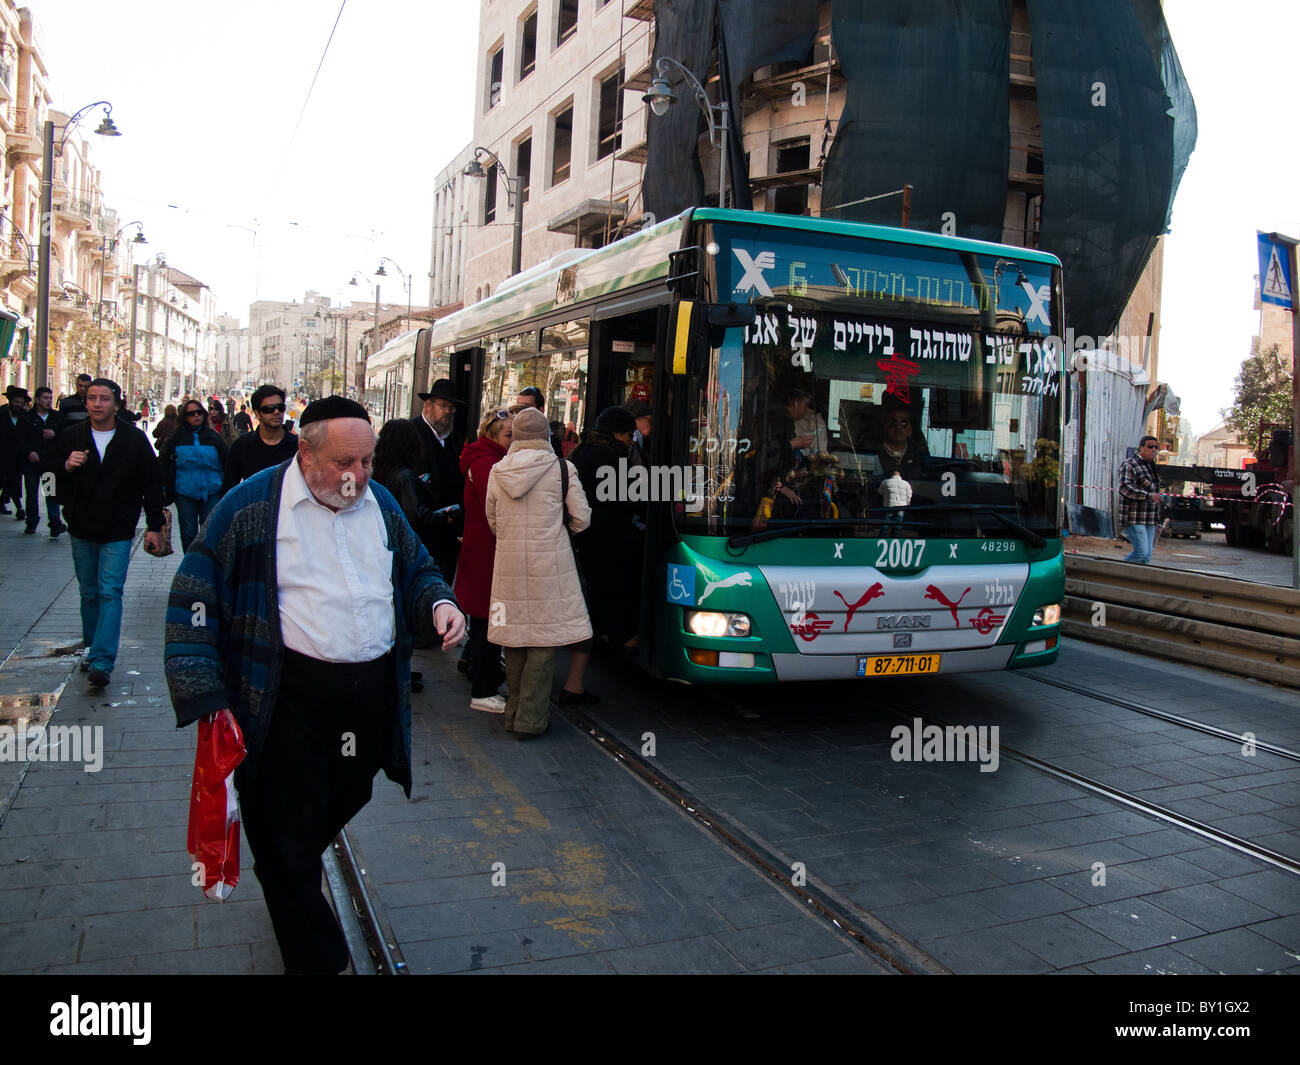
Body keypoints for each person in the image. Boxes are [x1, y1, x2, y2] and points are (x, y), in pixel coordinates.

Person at [163, 395, 465, 974]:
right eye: (343, 463)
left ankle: (290, 862)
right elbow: (192, 596)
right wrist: (204, 692)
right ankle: (318, 954)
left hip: (366, 698)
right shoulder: (249, 506)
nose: (358, 477)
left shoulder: (379, 502)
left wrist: (440, 602)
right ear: (305, 451)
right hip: (285, 699)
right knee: (283, 837)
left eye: (368, 462)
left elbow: (419, 567)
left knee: (345, 796)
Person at [485, 407, 591, 738]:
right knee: (544, 643)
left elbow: (492, 519)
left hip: (509, 565)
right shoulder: (562, 468)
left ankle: (513, 712)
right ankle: (531, 720)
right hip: (551, 566)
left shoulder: (497, 470)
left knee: (514, 640)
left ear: (515, 436)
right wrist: (560, 531)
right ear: (546, 436)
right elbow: (582, 517)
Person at [55, 378, 165, 689]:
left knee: (110, 591)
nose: (98, 404)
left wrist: (154, 525)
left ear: (117, 403)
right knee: (89, 592)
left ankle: (102, 660)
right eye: (92, 398)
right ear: (85, 402)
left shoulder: (133, 439)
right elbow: (48, 477)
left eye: (105, 398)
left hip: (118, 528)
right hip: (81, 527)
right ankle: (91, 649)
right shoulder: (71, 437)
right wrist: (66, 464)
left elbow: (151, 482)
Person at [453, 406, 517, 714]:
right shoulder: (488, 463)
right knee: (485, 624)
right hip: (487, 553)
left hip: (484, 550)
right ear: (492, 435)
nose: (513, 439)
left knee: (487, 621)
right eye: (508, 434)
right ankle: (483, 690)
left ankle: (486, 682)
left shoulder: (487, 458)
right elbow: (501, 508)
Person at [568, 406, 643, 653]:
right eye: (629, 435)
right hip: (609, 537)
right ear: (616, 434)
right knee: (618, 587)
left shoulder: (583, 452)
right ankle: (624, 636)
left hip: (587, 536)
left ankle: (602, 630)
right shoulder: (612, 458)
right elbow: (631, 499)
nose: (632, 440)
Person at [410, 378, 465, 579]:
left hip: (446, 538)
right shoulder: (412, 433)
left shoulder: (451, 437)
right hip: (422, 534)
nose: (447, 412)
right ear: (428, 405)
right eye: (443, 406)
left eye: (452, 408)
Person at [159, 400, 229, 552]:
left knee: (209, 531)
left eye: (199, 412)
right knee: (188, 533)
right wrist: (163, 488)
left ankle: (206, 565)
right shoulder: (177, 437)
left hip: (212, 490)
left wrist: (227, 488)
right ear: (185, 417)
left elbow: (226, 462)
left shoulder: (213, 437)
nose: (196, 416)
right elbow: (163, 462)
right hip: (185, 491)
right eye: (191, 413)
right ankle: (190, 567)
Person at [222, 384, 299, 491]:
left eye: (280, 408)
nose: (276, 412)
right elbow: (229, 489)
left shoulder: (298, 446)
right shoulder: (242, 446)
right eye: (269, 409)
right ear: (257, 414)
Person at [20, 386, 66, 536]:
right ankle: (31, 521)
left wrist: (55, 434)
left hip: (49, 462)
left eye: (50, 398)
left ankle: (54, 522)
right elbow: (20, 438)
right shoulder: (27, 417)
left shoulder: (56, 417)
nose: (48, 401)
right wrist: (29, 452)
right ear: (37, 400)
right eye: (45, 398)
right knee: (32, 492)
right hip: (33, 462)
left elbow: (64, 436)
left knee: (50, 492)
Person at [1118, 435, 1163, 564]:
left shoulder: (1150, 466)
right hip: (1134, 516)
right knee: (1141, 552)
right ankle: (1117, 572)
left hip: (1149, 517)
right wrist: (1148, 496)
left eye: (1156, 447)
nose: (1153, 450)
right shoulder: (1130, 464)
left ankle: (1136, 582)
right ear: (1141, 448)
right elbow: (1125, 488)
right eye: (1150, 446)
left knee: (1147, 556)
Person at [1, 385, 29, 520]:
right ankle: (19, 507)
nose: (18, 405)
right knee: (6, 480)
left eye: (21, 403)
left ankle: (14, 506)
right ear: (10, 401)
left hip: (18, 456)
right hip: (2, 454)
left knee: (13, 480)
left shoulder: (25, 416)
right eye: (16, 402)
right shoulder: (1, 413)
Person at [787, 389, 828, 459]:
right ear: (796, 403)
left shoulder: (820, 424)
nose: (806, 411)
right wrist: (793, 444)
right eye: (805, 406)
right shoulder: (783, 421)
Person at [625, 399, 652, 468]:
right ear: (635, 420)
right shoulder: (631, 443)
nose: (651, 424)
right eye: (649, 420)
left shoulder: (642, 442)